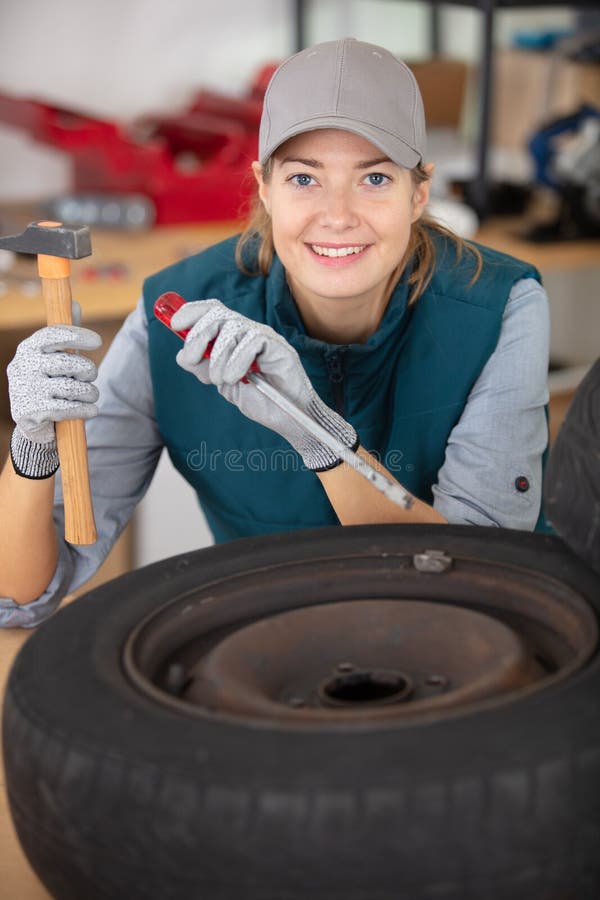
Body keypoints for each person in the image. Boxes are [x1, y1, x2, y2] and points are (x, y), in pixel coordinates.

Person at [0, 38, 550, 628]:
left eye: (374, 179)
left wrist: (321, 438)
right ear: (263, 184)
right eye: (304, 179)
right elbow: (20, 599)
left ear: (419, 192)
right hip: (263, 648)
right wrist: (32, 445)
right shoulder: (173, 313)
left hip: (458, 653)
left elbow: (484, 580)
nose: (337, 215)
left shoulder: (500, 305)